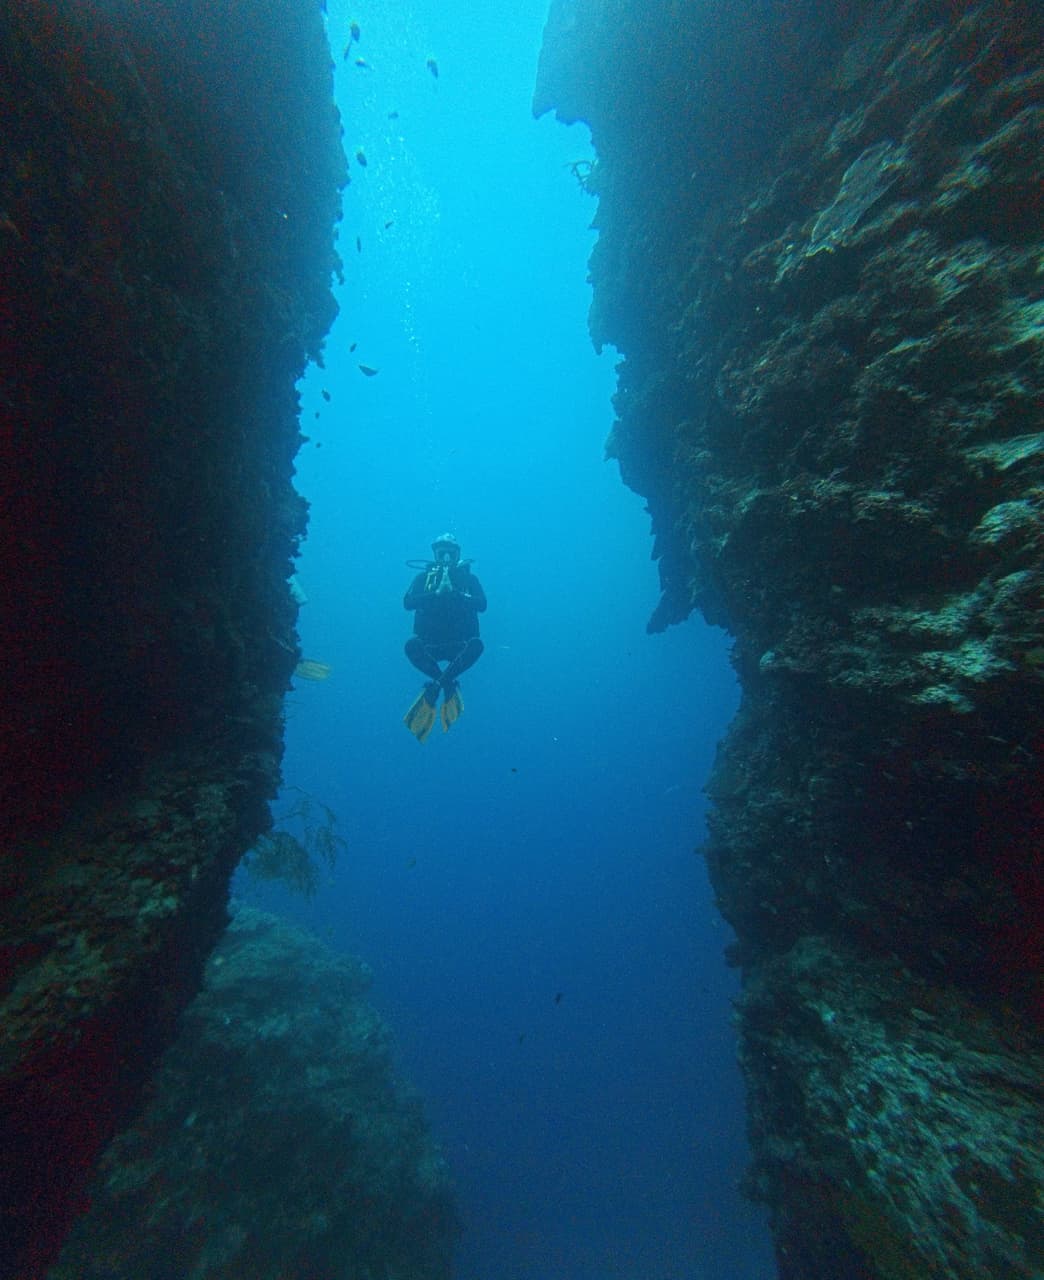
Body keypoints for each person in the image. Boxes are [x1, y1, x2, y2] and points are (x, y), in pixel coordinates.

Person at [403, 533, 486, 741]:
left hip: (461, 645)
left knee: (477, 645)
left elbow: (482, 604)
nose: (446, 558)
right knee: (411, 646)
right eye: (442, 553)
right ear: (435, 555)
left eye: (451, 553)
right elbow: (407, 603)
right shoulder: (423, 578)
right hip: (429, 645)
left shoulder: (469, 579)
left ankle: (438, 684)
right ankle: (446, 683)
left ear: (458, 554)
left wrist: (457, 595)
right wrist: (436, 594)